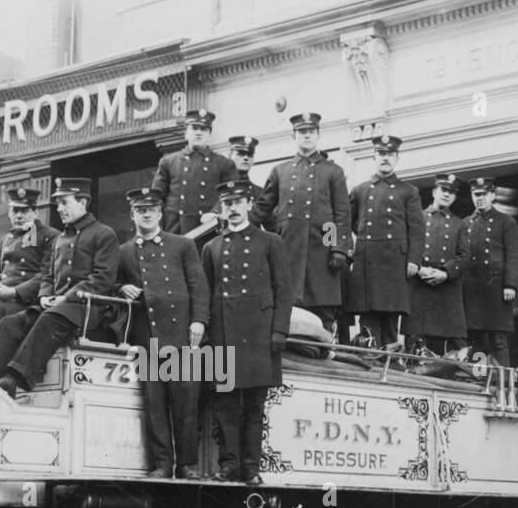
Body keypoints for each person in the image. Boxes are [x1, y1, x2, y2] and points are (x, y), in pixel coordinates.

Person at [0, 177, 120, 396]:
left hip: (87, 307)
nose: (59, 209)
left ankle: (14, 379)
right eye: (57, 204)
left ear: (82, 202)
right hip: (57, 305)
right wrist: (44, 296)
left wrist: (67, 297)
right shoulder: (61, 239)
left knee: (50, 318)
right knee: (10, 323)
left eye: (64, 203)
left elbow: (103, 278)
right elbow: (48, 274)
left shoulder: (103, 234)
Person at [202, 180, 292, 484]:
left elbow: (283, 290)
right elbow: (206, 293)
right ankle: (229, 466)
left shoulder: (271, 243)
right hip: (224, 333)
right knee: (226, 404)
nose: (233, 209)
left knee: (255, 405)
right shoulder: (211, 247)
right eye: (227, 204)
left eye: (238, 202)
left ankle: (252, 468)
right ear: (222, 209)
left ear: (249, 204)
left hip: (259, 334)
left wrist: (279, 330)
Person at [117, 187, 209, 479]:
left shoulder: (182, 245)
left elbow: (199, 286)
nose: (146, 214)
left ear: (160, 213)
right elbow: (111, 282)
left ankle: (187, 464)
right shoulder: (124, 251)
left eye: (152, 210)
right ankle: (161, 464)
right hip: (147, 335)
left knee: (185, 401)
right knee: (154, 404)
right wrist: (121, 288)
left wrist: (198, 321)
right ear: (132, 215)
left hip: (181, 332)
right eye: (141, 210)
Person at [251, 111, 350, 333]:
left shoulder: (333, 171)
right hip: (289, 251)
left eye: (311, 132)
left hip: (322, 252)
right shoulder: (280, 171)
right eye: (302, 132)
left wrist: (337, 248)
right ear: (293, 136)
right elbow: (262, 208)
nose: (307, 136)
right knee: (288, 309)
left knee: (323, 311)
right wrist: (276, 230)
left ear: (318, 135)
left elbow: (340, 215)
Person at [344, 134, 425, 349]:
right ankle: (370, 363)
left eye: (390, 154)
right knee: (368, 320)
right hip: (367, 262)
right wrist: (346, 249)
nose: (385, 158)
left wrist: (414, 260)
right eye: (381, 154)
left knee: (390, 320)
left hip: (394, 263)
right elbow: (342, 223)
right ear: (374, 156)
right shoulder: (360, 190)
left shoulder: (409, 191)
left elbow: (417, 230)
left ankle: (391, 367)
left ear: (397, 157)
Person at [461, 176, 518, 367]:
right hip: (472, 290)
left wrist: (510, 284)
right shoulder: (466, 223)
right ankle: (479, 380)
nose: (480, 198)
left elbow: (514, 255)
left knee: (498, 339)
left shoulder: (506, 222)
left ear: (492, 195)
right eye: (476, 194)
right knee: (476, 340)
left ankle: (501, 380)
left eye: (484, 194)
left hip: (496, 289)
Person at [408, 173, 470, 356]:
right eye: (443, 190)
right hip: (420, 285)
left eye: (451, 192)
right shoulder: (417, 217)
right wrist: (418, 268)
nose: (447, 195)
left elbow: (465, 256)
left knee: (458, 343)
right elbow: (406, 247)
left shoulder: (460, 224)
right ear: (435, 191)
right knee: (415, 339)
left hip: (447, 287)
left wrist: (446, 273)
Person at [150, 109, 238, 234]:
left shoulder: (224, 163)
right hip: (175, 228)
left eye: (203, 129)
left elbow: (230, 193)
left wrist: (215, 212)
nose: (198, 133)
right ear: (186, 133)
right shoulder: (168, 161)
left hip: (208, 228)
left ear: (209, 134)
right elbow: (157, 198)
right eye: (194, 128)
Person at [0, 187, 59, 326]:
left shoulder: (49, 236)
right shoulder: (5, 239)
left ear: (35, 212)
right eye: (14, 211)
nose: (18, 216)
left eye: (24, 211)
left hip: (28, 304)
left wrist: (14, 292)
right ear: (9, 213)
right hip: (3, 302)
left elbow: (46, 275)